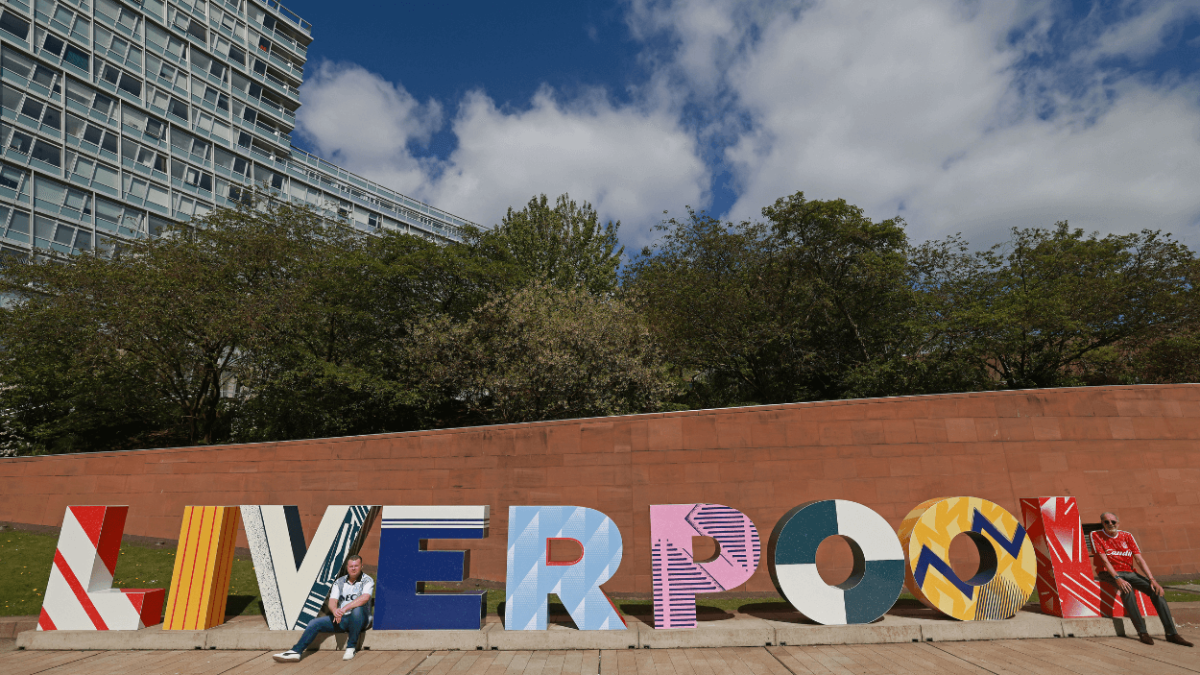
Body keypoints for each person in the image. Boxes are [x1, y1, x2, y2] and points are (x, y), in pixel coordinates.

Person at [1091, 511, 1192, 647]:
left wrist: (1152, 580)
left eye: (1113, 521)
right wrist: (1118, 579)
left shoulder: (1127, 536)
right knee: (1127, 590)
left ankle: (1172, 634)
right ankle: (1142, 632)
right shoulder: (1096, 535)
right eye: (1106, 521)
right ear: (1102, 523)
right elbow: (1104, 561)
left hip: (1130, 572)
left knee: (1156, 591)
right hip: (1108, 572)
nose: (1110, 524)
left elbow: (1139, 560)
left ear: (1118, 523)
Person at [273, 555, 374, 662]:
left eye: (356, 566)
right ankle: (296, 652)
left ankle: (351, 647)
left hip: (361, 620)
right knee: (314, 623)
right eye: (351, 566)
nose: (353, 568)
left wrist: (344, 609)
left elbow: (365, 597)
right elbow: (332, 601)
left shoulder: (367, 580)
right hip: (343, 619)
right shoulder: (339, 582)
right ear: (347, 567)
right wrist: (335, 611)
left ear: (361, 566)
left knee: (357, 610)